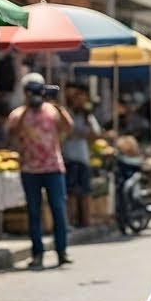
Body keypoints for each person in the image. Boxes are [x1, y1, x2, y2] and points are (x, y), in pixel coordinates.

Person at [7, 73, 73, 269]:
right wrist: (27, 108)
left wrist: (59, 106)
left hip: (53, 168)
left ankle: (62, 251)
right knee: (34, 213)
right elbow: (11, 134)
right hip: (29, 170)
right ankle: (37, 253)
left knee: (58, 210)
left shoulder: (52, 110)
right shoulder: (18, 113)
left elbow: (68, 128)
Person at [63, 82, 103, 228]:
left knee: (85, 192)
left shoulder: (87, 116)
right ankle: (71, 221)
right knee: (71, 192)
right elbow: (67, 133)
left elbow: (96, 134)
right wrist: (82, 134)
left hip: (83, 158)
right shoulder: (67, 114)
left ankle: (86, 222)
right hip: (68, 157)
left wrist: (81, 132)